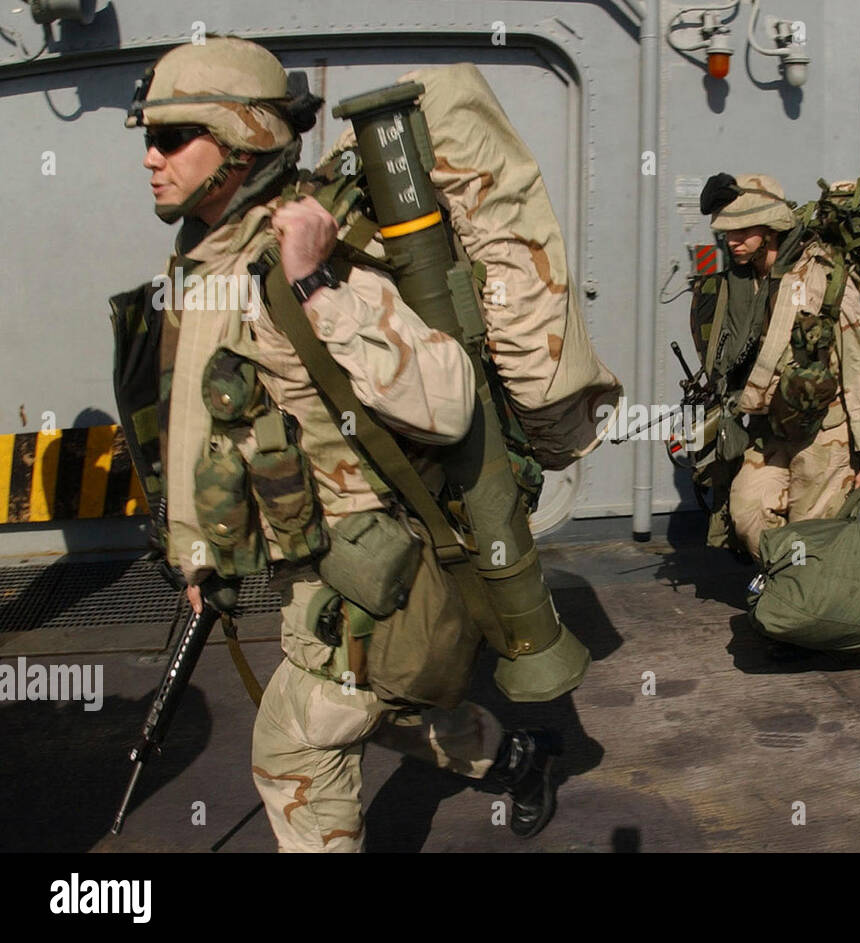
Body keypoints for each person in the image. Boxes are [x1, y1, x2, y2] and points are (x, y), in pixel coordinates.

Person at [113, 36, 557, 852]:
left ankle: (508, 755)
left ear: (241, 138)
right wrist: (197, 553)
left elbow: (448, 400)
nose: (151, 157)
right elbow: (209, 416)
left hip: (365, 564)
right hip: (299, 555)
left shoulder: (310, 250)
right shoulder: (208, 257)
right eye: (148, 136)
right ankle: (514, 756)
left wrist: (318, 281)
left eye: (173, 137)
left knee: (298, 742)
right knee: (385, 712)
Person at [692, 173, 860, 561]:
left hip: (824, 436)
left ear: (769, 228)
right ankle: (788, 588)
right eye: (727, 231)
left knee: (812, 535)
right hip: (768, 430)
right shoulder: (743, 282)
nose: (731, 240)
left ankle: (797, 603)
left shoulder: (822, 275)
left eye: (742, 230)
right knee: (747, 513)